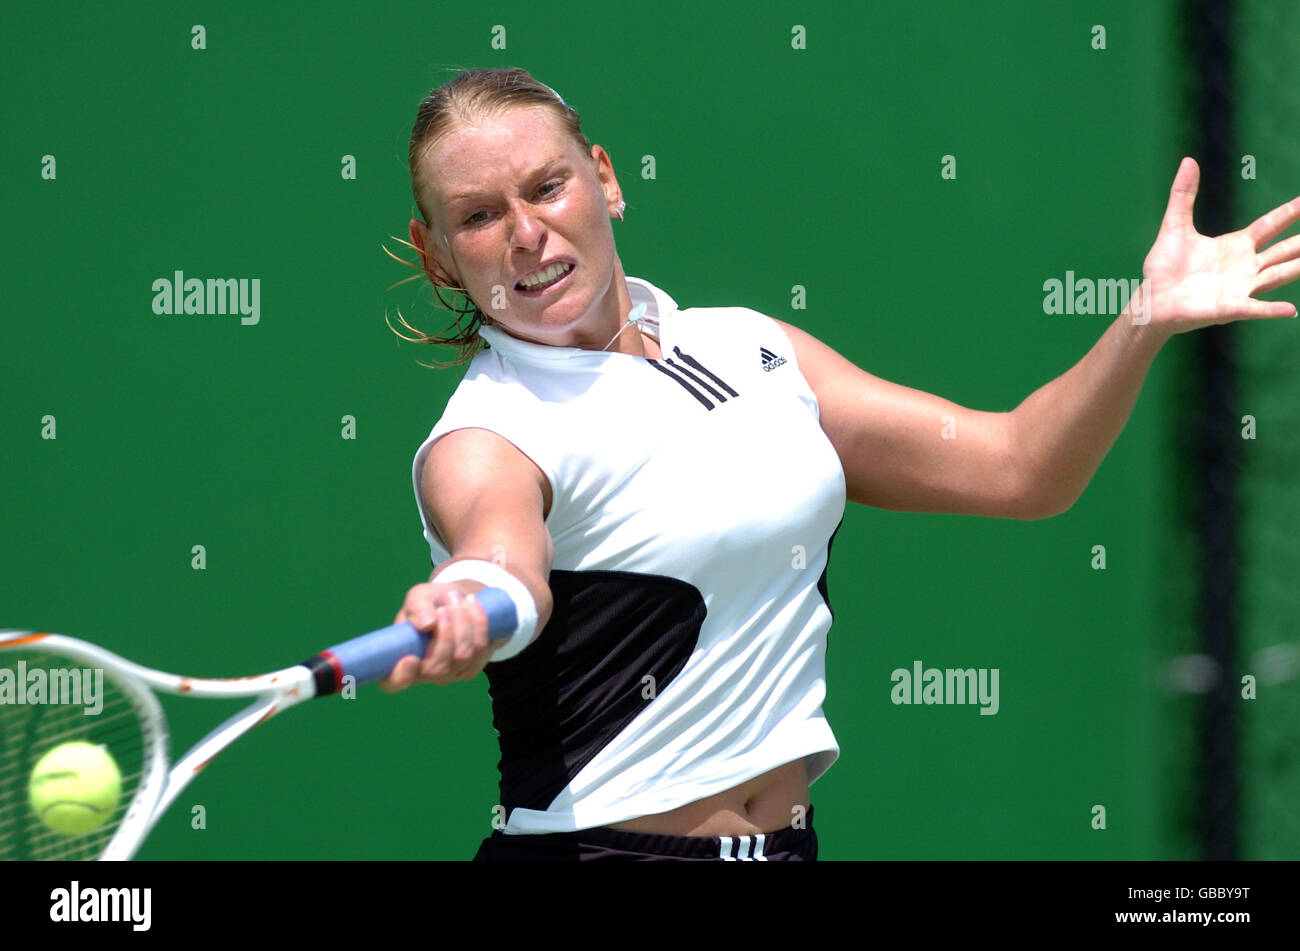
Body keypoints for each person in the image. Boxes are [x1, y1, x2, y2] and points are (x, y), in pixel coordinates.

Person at [379, 67, 1300, 861]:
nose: (527, 233)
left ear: (606, 179)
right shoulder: (489, 433)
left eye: (547, 188)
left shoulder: (750, 348)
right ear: (440, 257)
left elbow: (1020, 467)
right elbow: (501, 560)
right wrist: (470, 597)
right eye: (478, 216)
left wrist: (1145, 319)